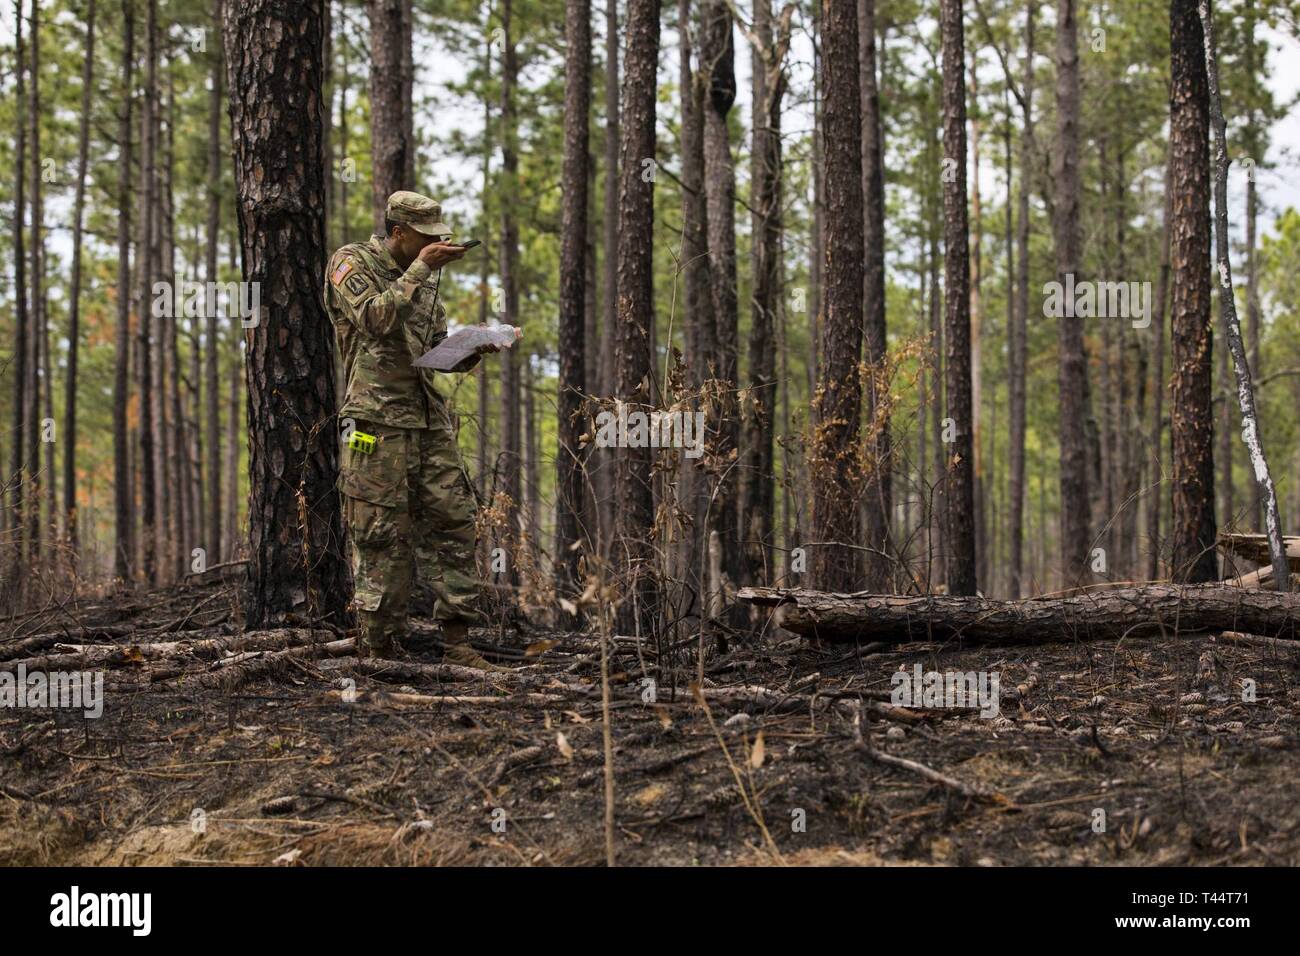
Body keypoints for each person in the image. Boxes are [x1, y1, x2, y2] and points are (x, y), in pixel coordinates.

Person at [323, 190, 503, 668]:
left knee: (455, 522)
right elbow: (375, 318)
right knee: (382, 532)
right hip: (374, 425)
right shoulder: (350, 262)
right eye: (427, 241)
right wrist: (419, 270)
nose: (438, 249)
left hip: (427, 419)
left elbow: (435, 350)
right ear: (398, 233)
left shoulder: (426, 282)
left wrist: (475, 346)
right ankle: (379, 649)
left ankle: (458, 644)